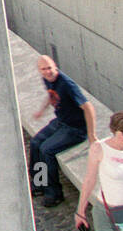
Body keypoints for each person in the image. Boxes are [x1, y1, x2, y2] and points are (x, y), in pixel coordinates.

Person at [28, 56, 96, 207]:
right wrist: (42, 110)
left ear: (55, 67)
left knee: (47, 150)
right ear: (40, 71)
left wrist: (92, 135)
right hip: (61, 121)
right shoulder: (48, 79)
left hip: (75, 128)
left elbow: (89, 107)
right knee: (35, 143)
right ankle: (39, 183)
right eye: (44, 69)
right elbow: (51, 94)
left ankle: (54, 193)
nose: (47, 72)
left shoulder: (67, 84)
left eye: (49, 68)